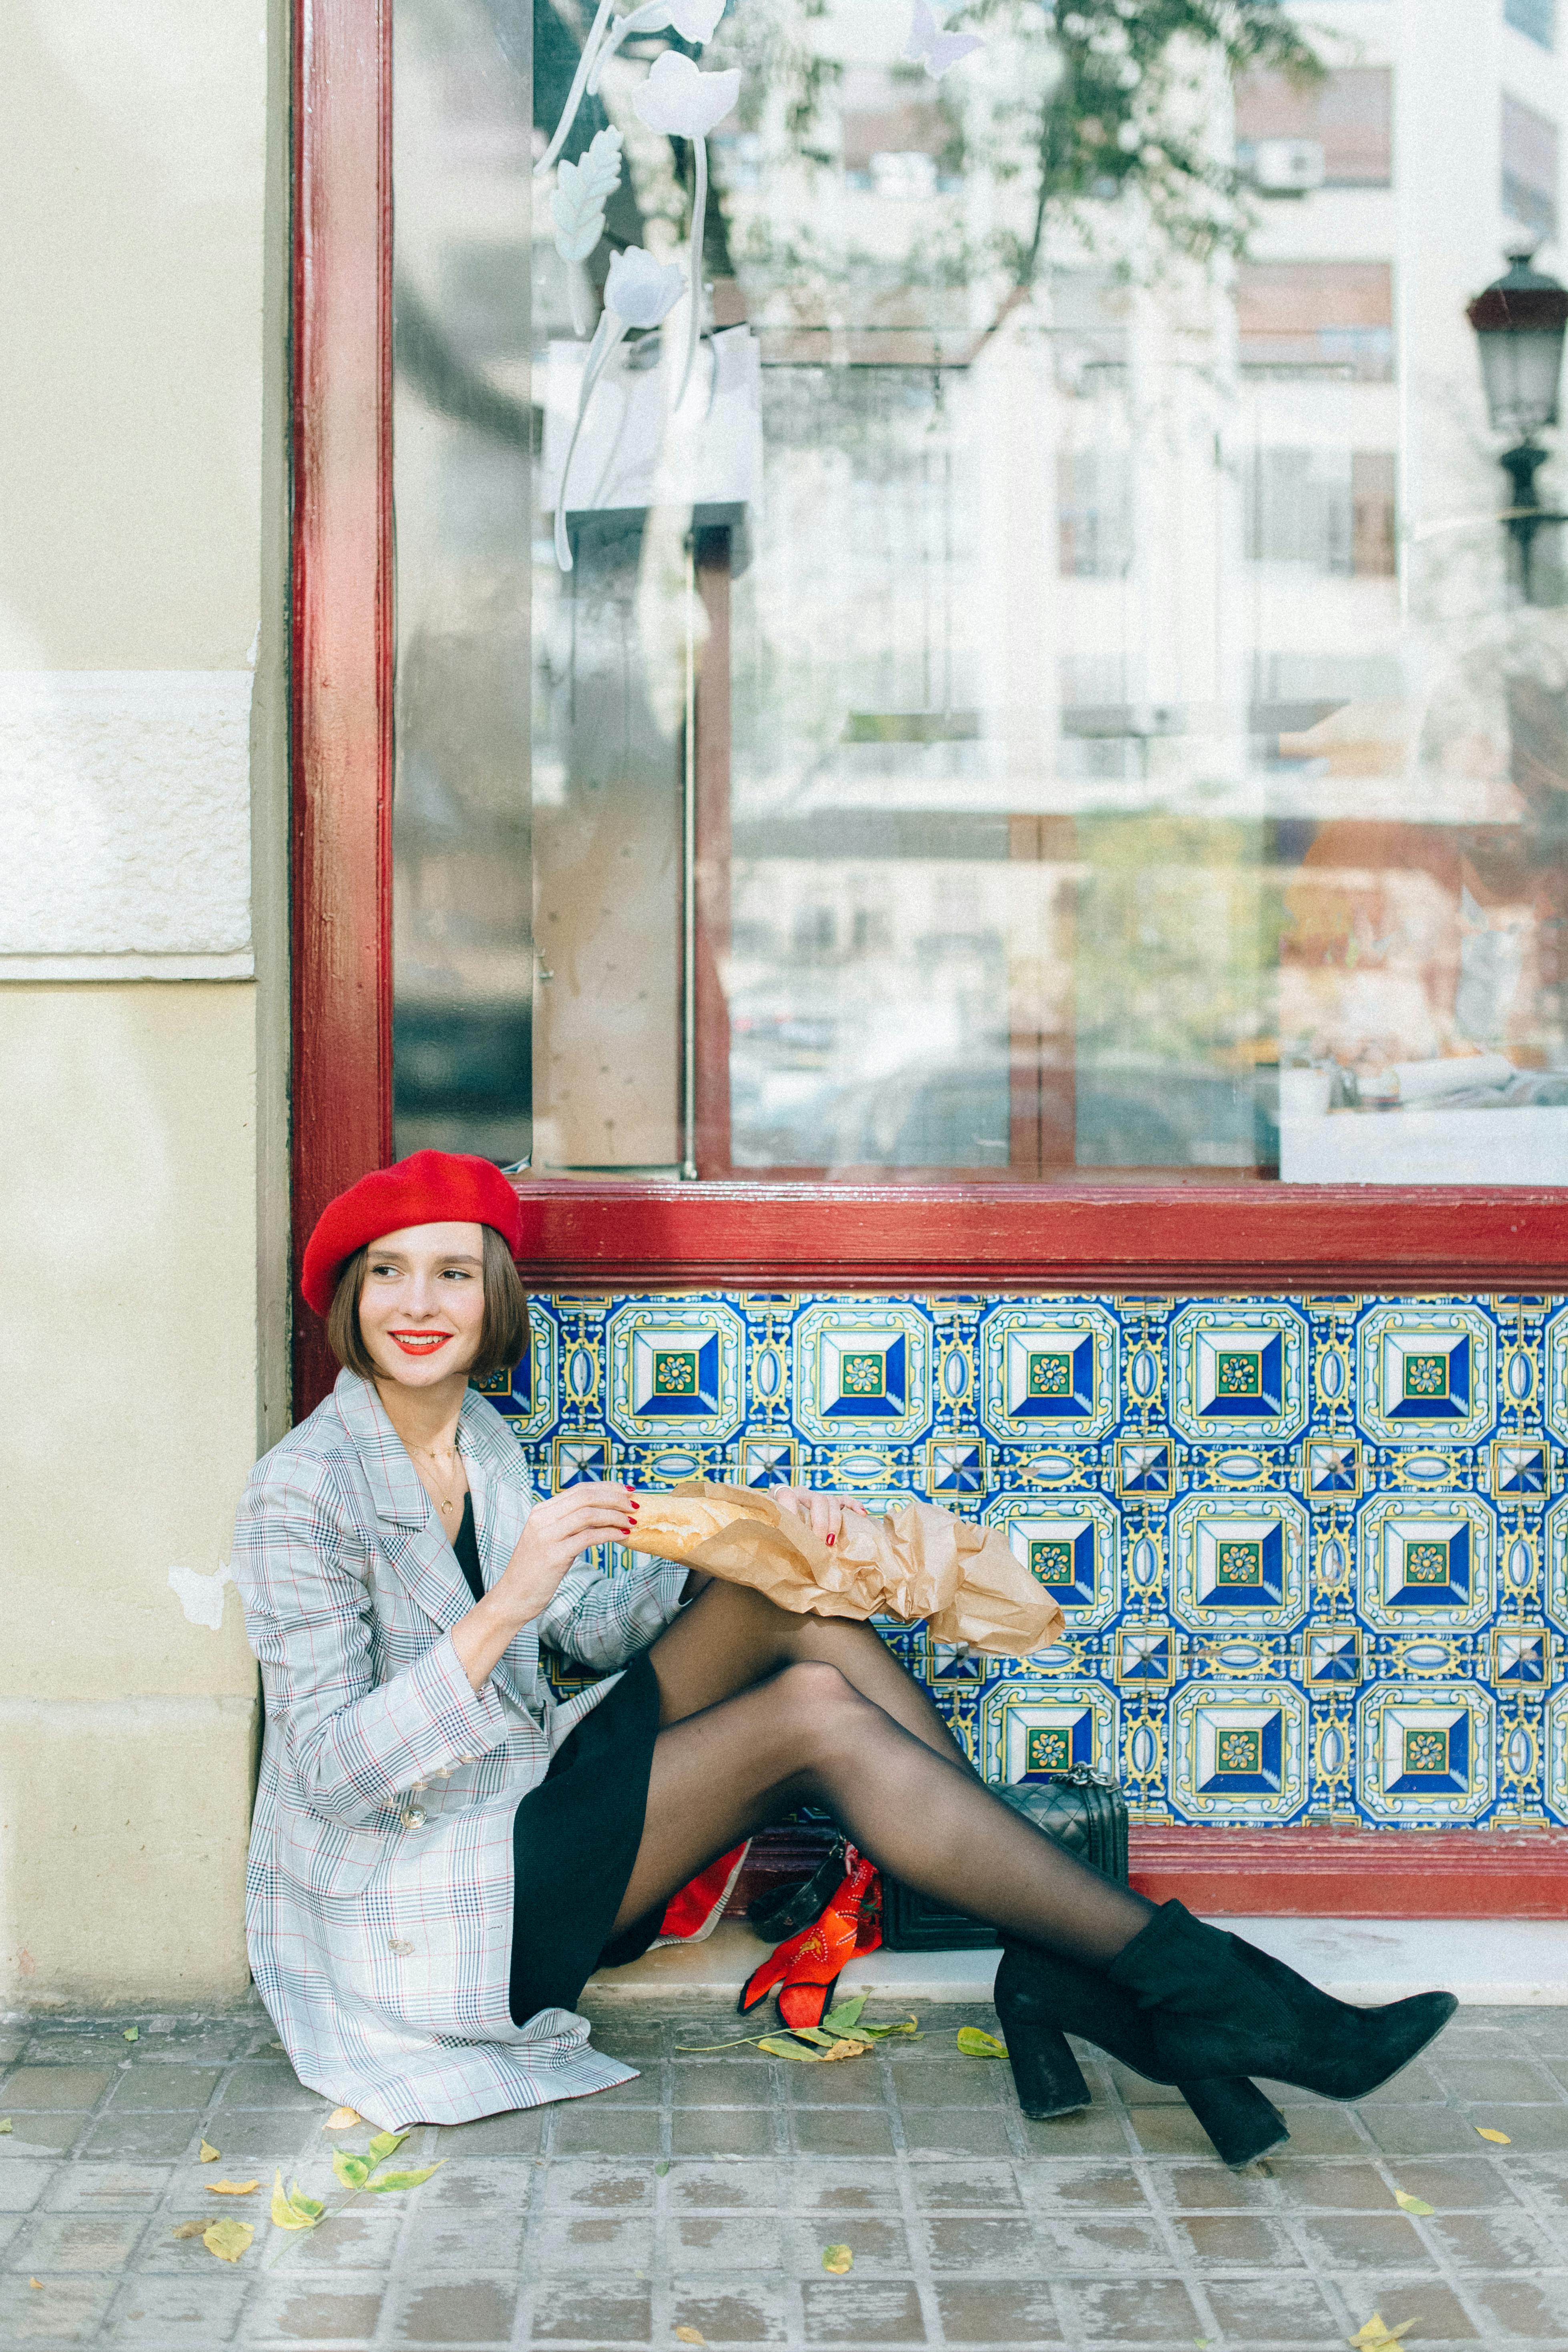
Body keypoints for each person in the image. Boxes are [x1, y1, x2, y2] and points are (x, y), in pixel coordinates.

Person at [233, 1149, 1457, 2137]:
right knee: (813, 1714)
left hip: (520, 1803)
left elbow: (574, 1645)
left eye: (452, 1273)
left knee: (797, 1602)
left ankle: (1069, 1967)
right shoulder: (304, 1489)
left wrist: (725, 1544)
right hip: (427, 1910)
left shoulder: (478, 1444)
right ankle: (1199, 1986)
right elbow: (335, 1767)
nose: (418, 1304)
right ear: (348, 1297)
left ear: (493, 1294)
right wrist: (505, 1603)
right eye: (388, 1274)